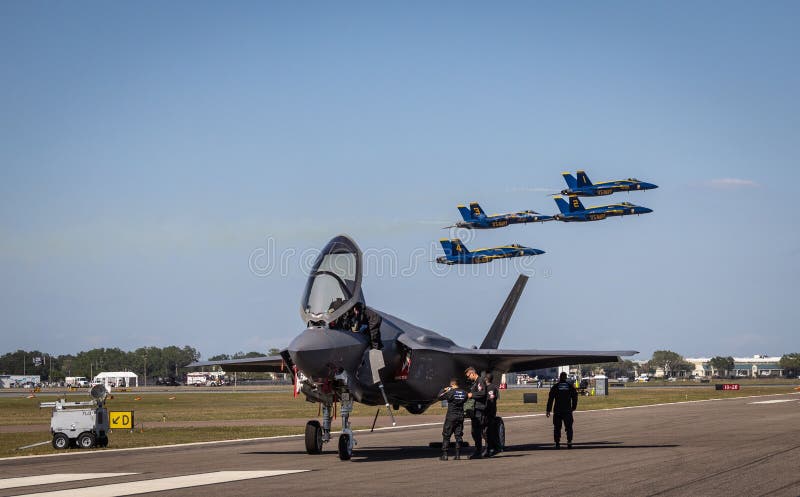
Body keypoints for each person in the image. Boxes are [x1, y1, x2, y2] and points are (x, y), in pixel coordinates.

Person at [546, 371, 578, 449]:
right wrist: (573, 407)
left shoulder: (555, 387)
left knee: (557, 427)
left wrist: (548, 410)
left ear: (560, 377)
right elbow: (575, 398)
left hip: (557, 410)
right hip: (567, 410)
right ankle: (569, 441)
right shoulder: (570, 387)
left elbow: (550, 399)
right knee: (569, 427)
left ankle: (557, 442)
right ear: (566, 378)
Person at [437, 378, 467, 460]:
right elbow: (465, 399)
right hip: (460, 416)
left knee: (446, 435)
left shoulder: (450, 392)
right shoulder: (464, 393)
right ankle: (458, 455)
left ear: (452, 384)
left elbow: (439, 397)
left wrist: (444, 389)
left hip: (451, 416)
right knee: (458, 435)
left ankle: (445, 455)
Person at [464, 366, 487, 459]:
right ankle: (480, 451)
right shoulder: (475, 382)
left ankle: (480, 451)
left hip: (479, 409)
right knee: (476, 432)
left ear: (472, 373)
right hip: (476, 409)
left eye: (468, 375)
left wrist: (471, 394)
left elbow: (482, 393)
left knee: (478, 431)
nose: (468, 378)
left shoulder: (480, 381)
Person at [483, 372, 500, 457]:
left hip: (487, 411)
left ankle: (490, 448)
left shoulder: (486, 388)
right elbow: (496, 398)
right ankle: (494, 447)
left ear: (486, 379)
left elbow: (488, 399)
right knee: (490, 430)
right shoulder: (494, 387)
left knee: (487, 431)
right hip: (492, 411)